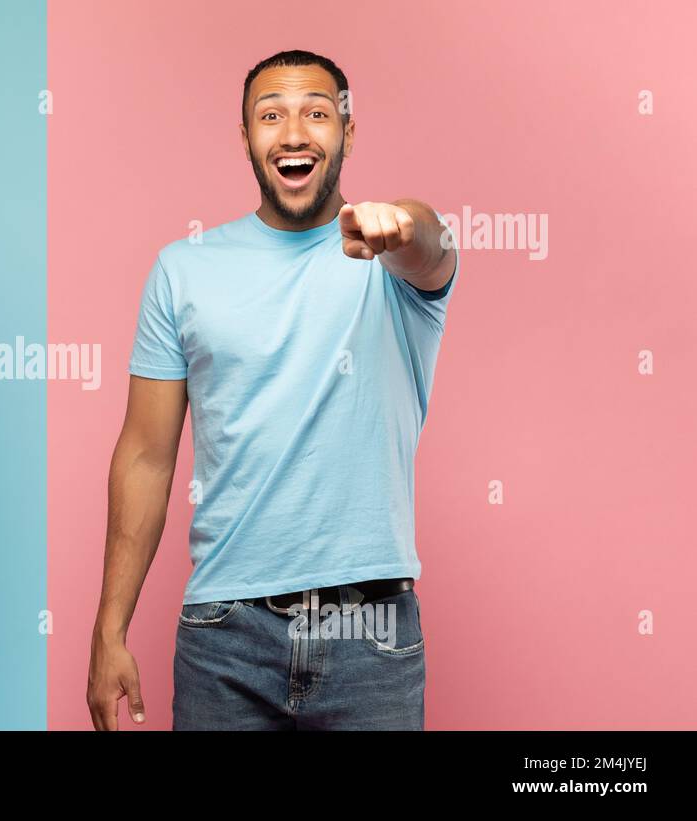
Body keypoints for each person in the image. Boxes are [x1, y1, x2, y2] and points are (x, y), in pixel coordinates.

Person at [87, 50, 459, 730]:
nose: (293, 133)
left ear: (348, 132)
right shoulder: (182, 269)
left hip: (371, 635)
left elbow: (432, 244)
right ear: (246, 137)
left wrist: (399, 224)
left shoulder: (393, 267)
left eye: (317, 113)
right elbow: (145, 456)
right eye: (271, 115)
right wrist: (109, 629)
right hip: (224, 637)